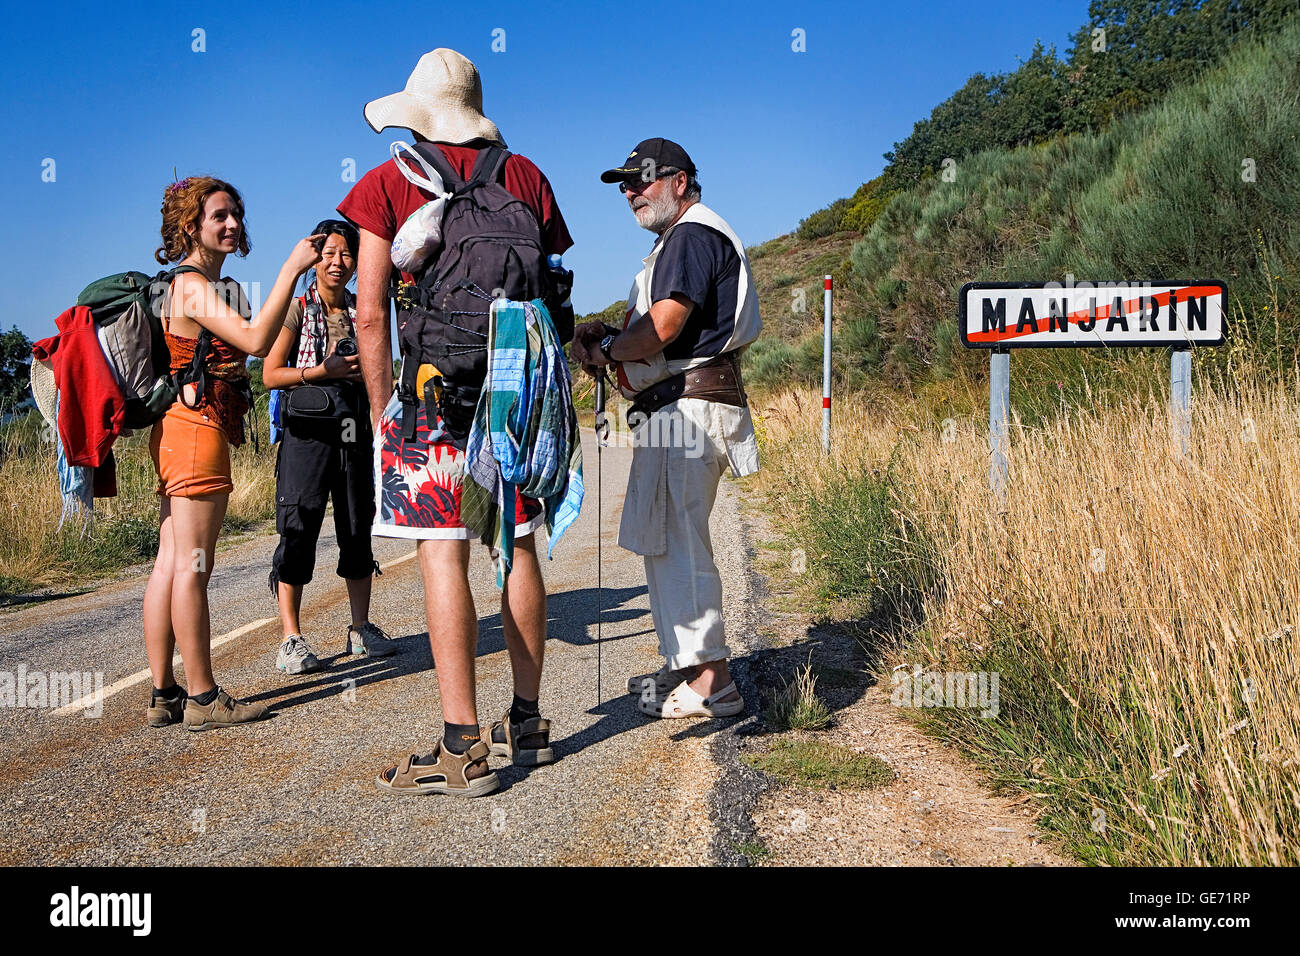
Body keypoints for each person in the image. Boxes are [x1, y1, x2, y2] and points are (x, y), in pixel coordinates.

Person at [338, 49, 574, 796]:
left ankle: (461, 746)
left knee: (443, 554)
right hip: (514, 392)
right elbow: (552, 283)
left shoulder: (386, 181)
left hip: (433, 396)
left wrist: (383, 412)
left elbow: (370, 311)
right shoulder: (527, 175)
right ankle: (530, 722)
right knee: (519, 543)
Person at [573, 138, 761, 719]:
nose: (630, 192)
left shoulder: (690, 235)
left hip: (690, 406)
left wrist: (604, 347)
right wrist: (610, 342)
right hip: (678, 407)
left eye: (641, 180)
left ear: (679, 181)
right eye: (623, 184)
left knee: (677, 539)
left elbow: (663, 327)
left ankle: (713, 680)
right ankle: (690, 665)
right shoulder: (678, 241)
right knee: (664, 536)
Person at [143, 176, 322, 730]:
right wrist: (292, 270)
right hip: (194, 434)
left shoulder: (197, 286)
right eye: (219, 215)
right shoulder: (193, 286)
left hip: (178, 431)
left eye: (236, 215)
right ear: (189, 226)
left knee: (171, 564)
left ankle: (164, 693)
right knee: (192, 568)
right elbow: (253, 342)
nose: (232, 224)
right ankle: (201, 697)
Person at [261, 218, 397, 675]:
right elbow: (270, 374)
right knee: (298, 530)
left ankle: (360, 628)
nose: (337, 262)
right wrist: (323, 371)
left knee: (357, 528)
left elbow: (382, 373)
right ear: (315, 259)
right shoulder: (298, 309)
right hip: (307, 434)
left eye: (346, 254)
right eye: (329, 253)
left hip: (354, 431)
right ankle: (291, 638)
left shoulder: (366, 312)